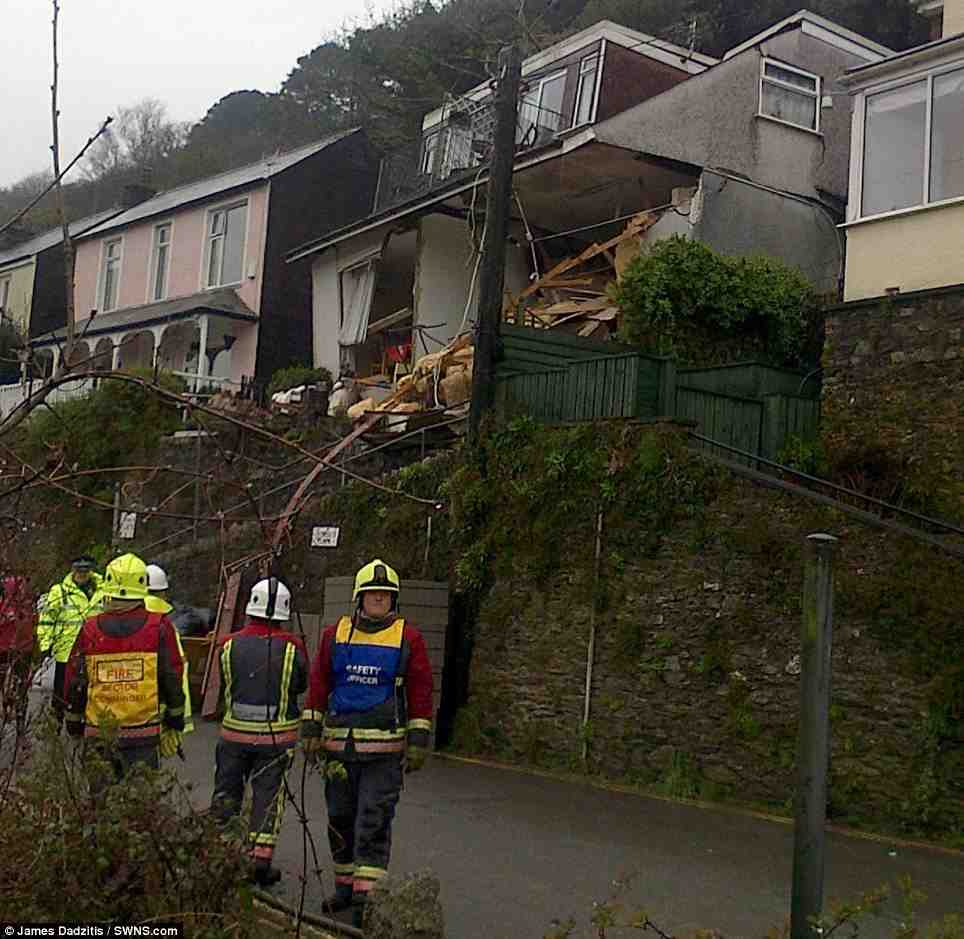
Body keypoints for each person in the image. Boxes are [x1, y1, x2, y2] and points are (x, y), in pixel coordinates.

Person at [302, 559, 434, 927]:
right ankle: (345, 888)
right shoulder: (334, 635)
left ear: (394, 600)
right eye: (373, 593)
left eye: (386, 594)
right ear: (359, 597)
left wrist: (418, 738)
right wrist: (310, 729)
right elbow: (319, 683)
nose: (379, 598)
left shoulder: (408, 638)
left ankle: (368, 898)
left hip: (384, 754)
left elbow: (421, 690)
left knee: (372, 821)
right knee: (339, 819)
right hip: (338, 749)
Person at [209, 577, 308, 888]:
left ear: (250, 607)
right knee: (268, 796)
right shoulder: (293, 647)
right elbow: (301, 683)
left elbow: (225, 684)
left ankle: (221, 855)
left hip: (233, 737)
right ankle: (259, 861)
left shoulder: (228, 645)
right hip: (276, 740)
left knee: (227, 793)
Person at [63, 553, 185, 778]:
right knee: (139, 796)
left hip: (99, 734)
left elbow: (76, 679)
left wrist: (73, 722)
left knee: (100, 797)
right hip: (143, 736)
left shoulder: (90, 629)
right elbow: (172, 676)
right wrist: (175, 719)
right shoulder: (159, 626)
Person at [37, 555, 103, 725]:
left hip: (95, 650)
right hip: (66, 651)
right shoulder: (60, 591)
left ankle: (88, 724)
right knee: (61, 693)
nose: (82, 574)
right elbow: (47, 619)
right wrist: (45, 645)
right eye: (79, 570)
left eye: (85, 570)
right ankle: (56, 724)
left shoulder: (103, 590)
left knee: (92, 692)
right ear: (73, 570)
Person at [145, 564, 194, 737]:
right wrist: (177, 715)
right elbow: (175, 671)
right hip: (159, 712)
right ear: (163, 593)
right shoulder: (165, 627)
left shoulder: (121, 621)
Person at [0, 575, 36, 737]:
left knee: (21, 691)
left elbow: (33, 625)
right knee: (18, 690)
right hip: (6, 648)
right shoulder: (6, 604)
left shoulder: (28, 605)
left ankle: (21, 733)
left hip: (22, 649)